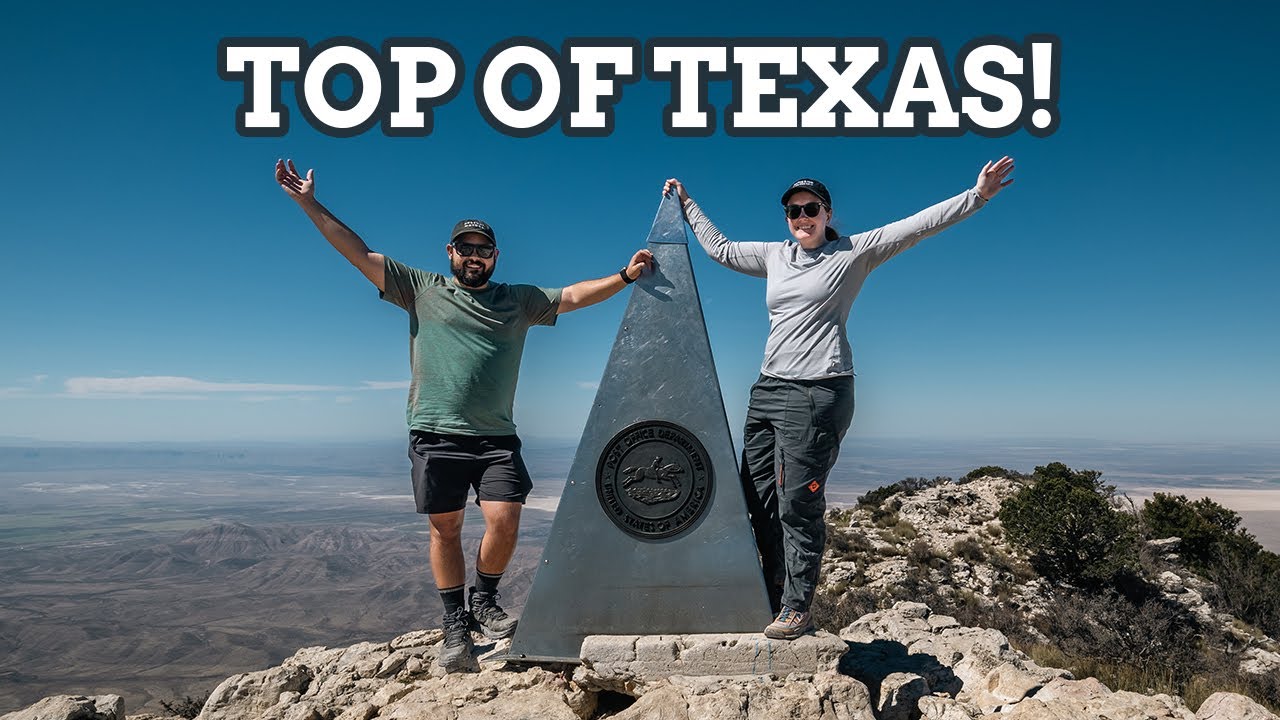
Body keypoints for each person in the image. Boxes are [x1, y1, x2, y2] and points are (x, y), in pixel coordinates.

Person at [276, 159, 654, 671]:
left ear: (495, 256)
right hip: (436, 432)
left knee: (505, 518)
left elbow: (571, 295)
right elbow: (358, 252)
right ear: (450, 252)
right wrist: (309, 204)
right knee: (446, 528)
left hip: (496, 436)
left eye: (483, 249)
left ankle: (484, 600)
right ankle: (455, 622)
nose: (474, 256)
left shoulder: (518, 300)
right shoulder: (421, 288)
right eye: (465, 248)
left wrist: (625, 276)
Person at [662, 157, 1015, 640]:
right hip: (768, 388)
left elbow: (916, 227)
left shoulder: (853, 252)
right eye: (793, 211)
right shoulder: (775, 256)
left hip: (819, 391)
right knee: (757, 496)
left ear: (827, 213)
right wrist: (687, 204)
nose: (802, 218)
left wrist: (976, 196)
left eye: (811, 209)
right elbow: (720, 249)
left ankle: (797, 607)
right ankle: (770, 590)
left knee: (797, 503)